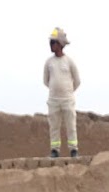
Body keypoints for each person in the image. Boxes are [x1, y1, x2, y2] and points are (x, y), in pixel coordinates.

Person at [43, 27, 81, 157]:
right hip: (53, 100)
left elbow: (77, 80)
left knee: (71, 125)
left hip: (67, 100)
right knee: (54, 126)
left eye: (53, 42)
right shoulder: (49, 62)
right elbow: (46, 80)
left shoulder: (69, 62)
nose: (51, 45)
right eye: (50, 42)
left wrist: (68, 92)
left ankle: (73, 150)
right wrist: (55, 90)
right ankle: (55, 150)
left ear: (60, 44)